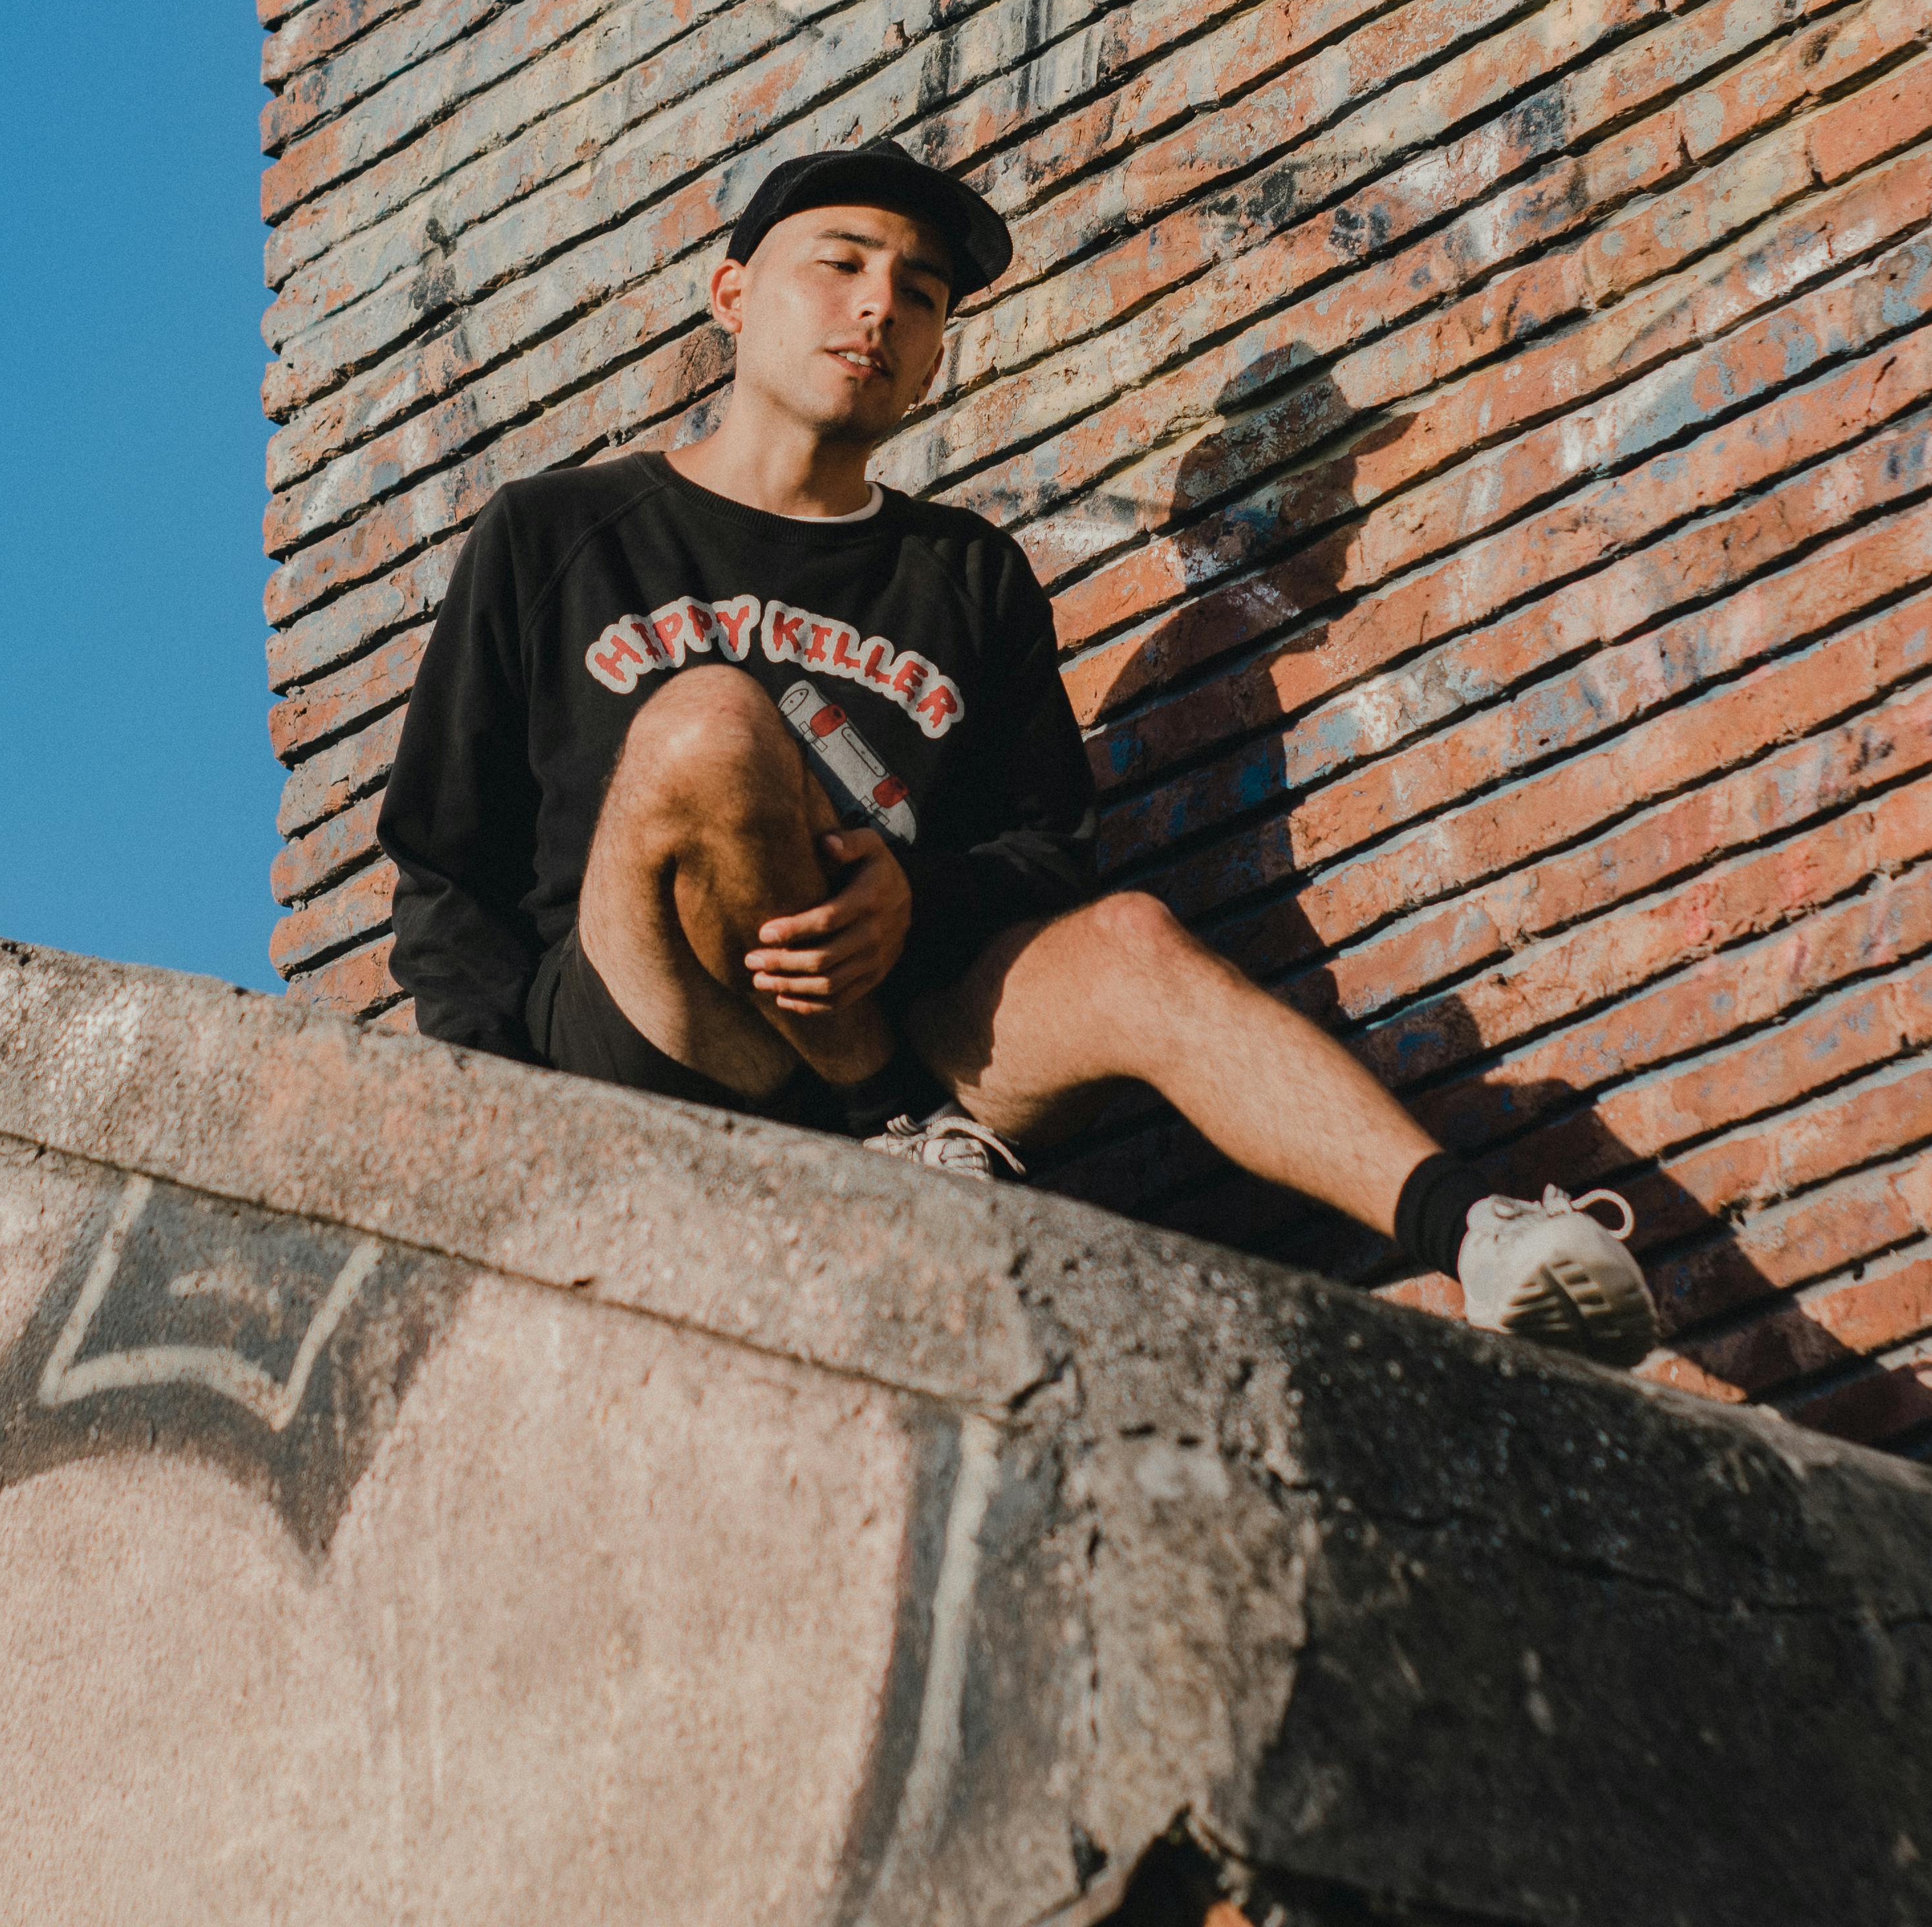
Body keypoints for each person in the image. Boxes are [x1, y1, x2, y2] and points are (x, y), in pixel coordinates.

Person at [376, 143, 1657, 1364]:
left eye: (918, 293)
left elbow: (1052, 852)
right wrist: (506, 1140)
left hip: (914, 1065)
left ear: (934, 358)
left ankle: (1483, 1240)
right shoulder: (557, 536)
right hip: (654, 1038)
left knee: (1135, 940)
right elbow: (445, 871)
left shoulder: (969, 575)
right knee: (709, 723)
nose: (878, 305)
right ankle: (878, 1111)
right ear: (732, 295)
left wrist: (916, 897)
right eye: (841, 262)